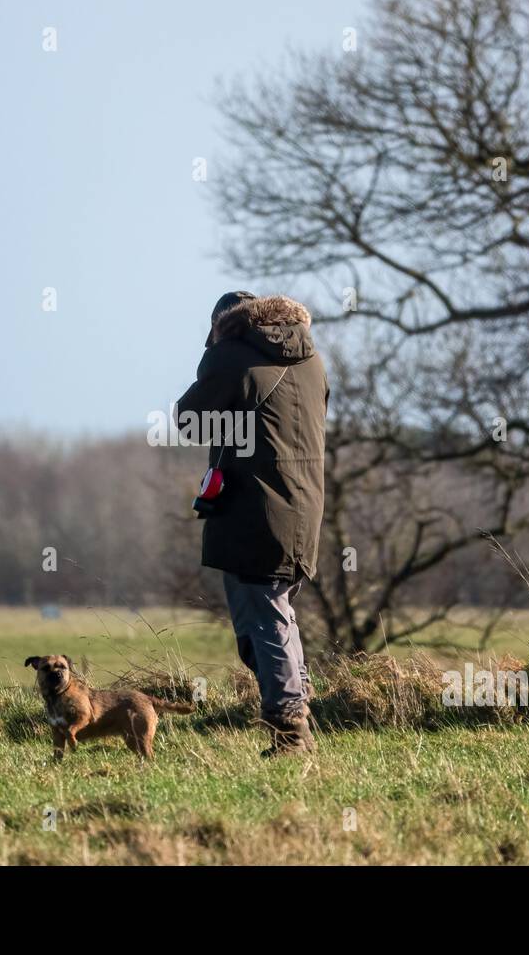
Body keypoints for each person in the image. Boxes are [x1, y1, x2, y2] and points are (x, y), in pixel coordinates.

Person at [175, 291, 329, 756]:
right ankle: (299, 715)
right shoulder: (313, 360)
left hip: (255, 509)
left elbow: (188, 421)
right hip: (303, 506)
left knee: (263, 623)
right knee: (279, 615)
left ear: (225, 325)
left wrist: (215, 358)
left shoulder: (233, 356)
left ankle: (290, 732)